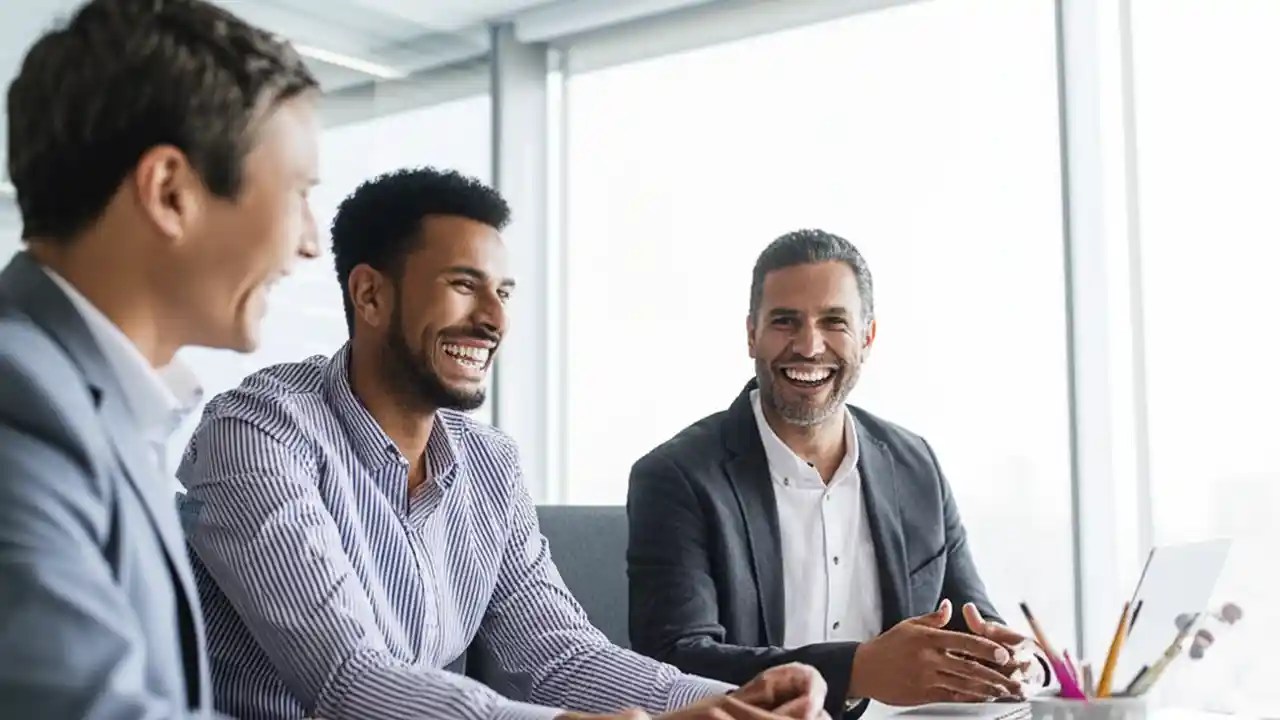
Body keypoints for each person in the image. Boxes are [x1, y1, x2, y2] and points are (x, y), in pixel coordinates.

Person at [176, 167, 828, 720]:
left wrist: (738, 702)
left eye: (503, 292)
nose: (494, 319)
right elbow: (347, 679)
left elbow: (556, 655)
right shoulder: (259, 433)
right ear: (370, 295)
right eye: (464, 285)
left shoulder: (490, 464)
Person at [0, 0, 321, 716]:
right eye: (299, 193)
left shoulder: (96, 402)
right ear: (170, 192)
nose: (310, 242)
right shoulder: (21, 404)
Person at [627, 230, 1046, 718]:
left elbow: (972, 621)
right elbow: (673, 662)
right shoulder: (676, 477)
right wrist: (857, 669)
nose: (809, 346)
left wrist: (1013, 661)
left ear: (867, 337)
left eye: (834, 322)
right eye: (785, 322)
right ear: (751, 335)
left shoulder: (915, 466)